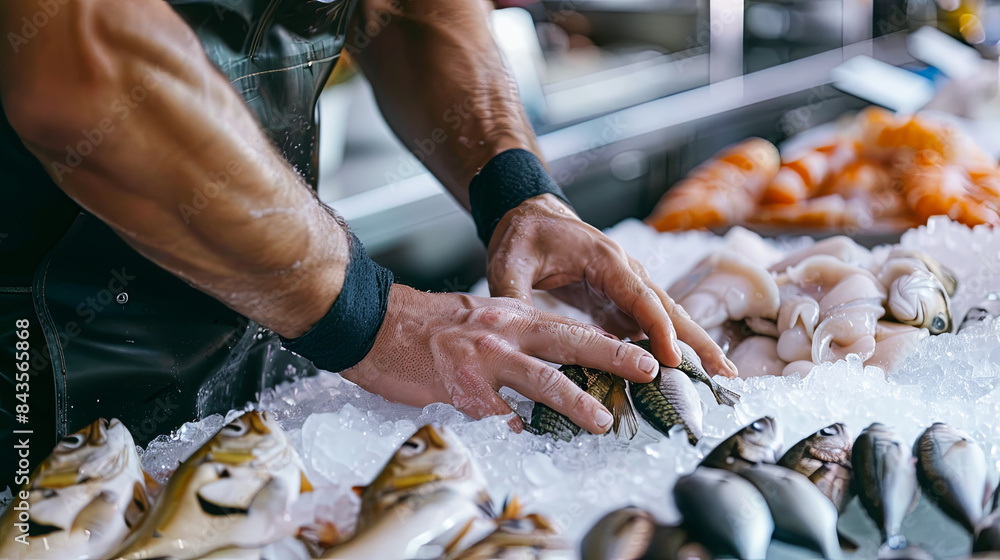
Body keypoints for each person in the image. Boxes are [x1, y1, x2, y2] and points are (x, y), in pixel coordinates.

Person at [0, 0, 735, 492]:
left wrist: (512, 186)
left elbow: (407, 10)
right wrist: (374, 316)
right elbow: (81, 61)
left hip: (243, 362)